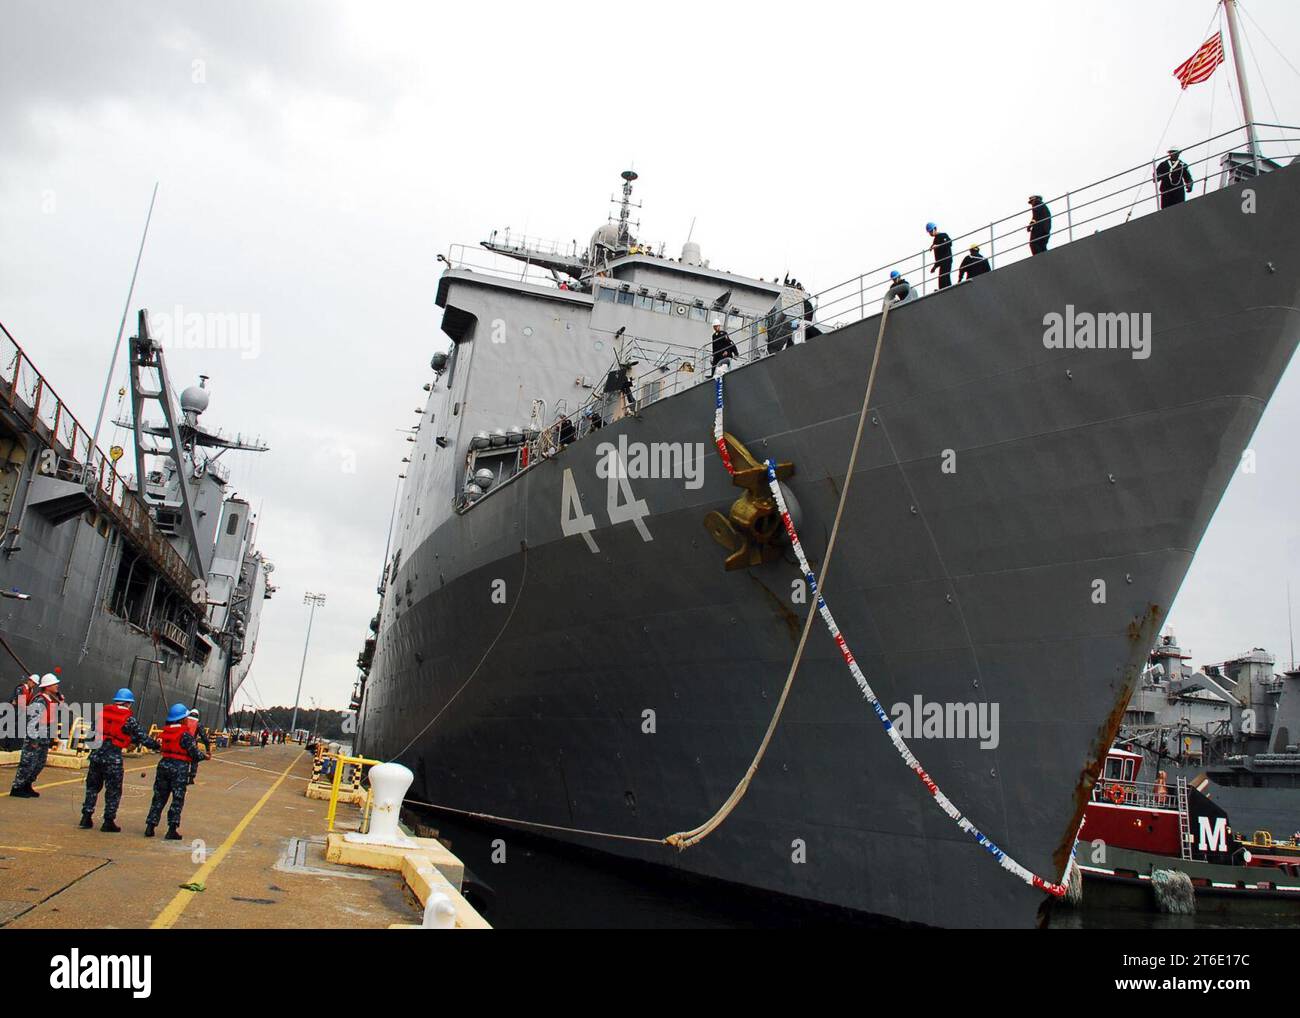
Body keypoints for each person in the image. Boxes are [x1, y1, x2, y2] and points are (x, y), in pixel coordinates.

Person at [80, 688, 160, 832]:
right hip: (113, 759)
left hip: (96, 756)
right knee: (113, 791)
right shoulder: (129, 719)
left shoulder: (102, 714)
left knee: (92, 788)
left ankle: (86, 817)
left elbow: (90, 736)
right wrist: (158, 746)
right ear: (129, 704)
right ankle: (108, 821)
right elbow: (142, 737)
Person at [145, 703, 206, 839]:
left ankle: (150, 826)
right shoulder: (185, 734)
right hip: (179, 768)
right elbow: (194, 753)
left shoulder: (165, 731)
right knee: (177, 799)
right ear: (182, 718)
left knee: (159, 797)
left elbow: (158, 746)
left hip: (163, 765)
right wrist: (204, 756)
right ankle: (172, 829)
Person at [9, 673, 61, 798]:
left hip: (44, 737)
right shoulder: (40, 699)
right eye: (55, 684)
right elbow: (33, 719)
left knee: (39, 762)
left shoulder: (50, 699)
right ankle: (17, 787)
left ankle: (27, 784)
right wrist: (33, 738)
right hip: (36, 736)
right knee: (28, 762)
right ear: (48, 686)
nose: (57, 686)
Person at [4, 673, 38, 751]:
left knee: (15, 729)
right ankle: (6, 746)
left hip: (20, 712)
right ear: (29, 681)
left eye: (35, 684)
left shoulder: (31, 691)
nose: (33, 685)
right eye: (33, 682)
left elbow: (28, 703)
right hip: (13, 710)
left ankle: (9, 747)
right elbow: (19, 701)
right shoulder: (20, 688)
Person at [185, 708, 212, 785]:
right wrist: (208, 750)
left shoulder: (184, 721)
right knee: (195, 760)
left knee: (184, 760)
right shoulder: (198, 724)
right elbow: (205, 738)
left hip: (182, 744)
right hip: (192, 744)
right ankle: (191, 778)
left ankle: (183, 776)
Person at [926, 223, 953, 289]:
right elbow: (938, 256)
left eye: (931, 231)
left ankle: (948, 290)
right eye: (929, 232)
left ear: (935, 229)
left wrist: (938, 246)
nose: (930, 234)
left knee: (944, 277)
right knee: (942, 279)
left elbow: (949, 243)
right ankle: (944, 290)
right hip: (942, 261)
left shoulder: (943, 235)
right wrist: (935, 266)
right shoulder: (935, 240)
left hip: (946, 259)